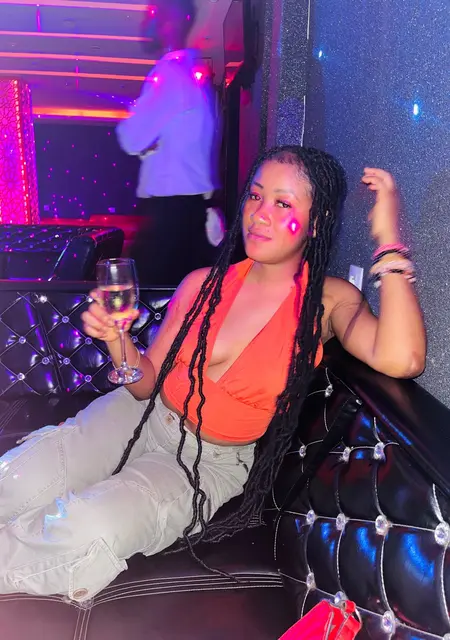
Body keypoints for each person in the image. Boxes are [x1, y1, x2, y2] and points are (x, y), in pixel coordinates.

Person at [0, 146, 426, 603]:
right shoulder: (202, 283)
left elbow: (403, 359)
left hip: (203, 465)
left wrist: (388, 238)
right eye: (255, 196)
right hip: (135, 416)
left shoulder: (327, 301)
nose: (259, 214)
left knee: (89, 525)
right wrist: (116, 339)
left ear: (317, 222)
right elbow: (145, 386)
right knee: (19, 479)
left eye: (282, 203)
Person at [116, 0, 222, 286]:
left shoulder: (170, 74)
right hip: (191, 208)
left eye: (158, 16)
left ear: (174, 22)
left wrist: (137, 123)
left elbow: (131, 137)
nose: (151, 23)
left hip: (170, 210)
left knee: (149, 296)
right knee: (183, 296)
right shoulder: (195, 76)